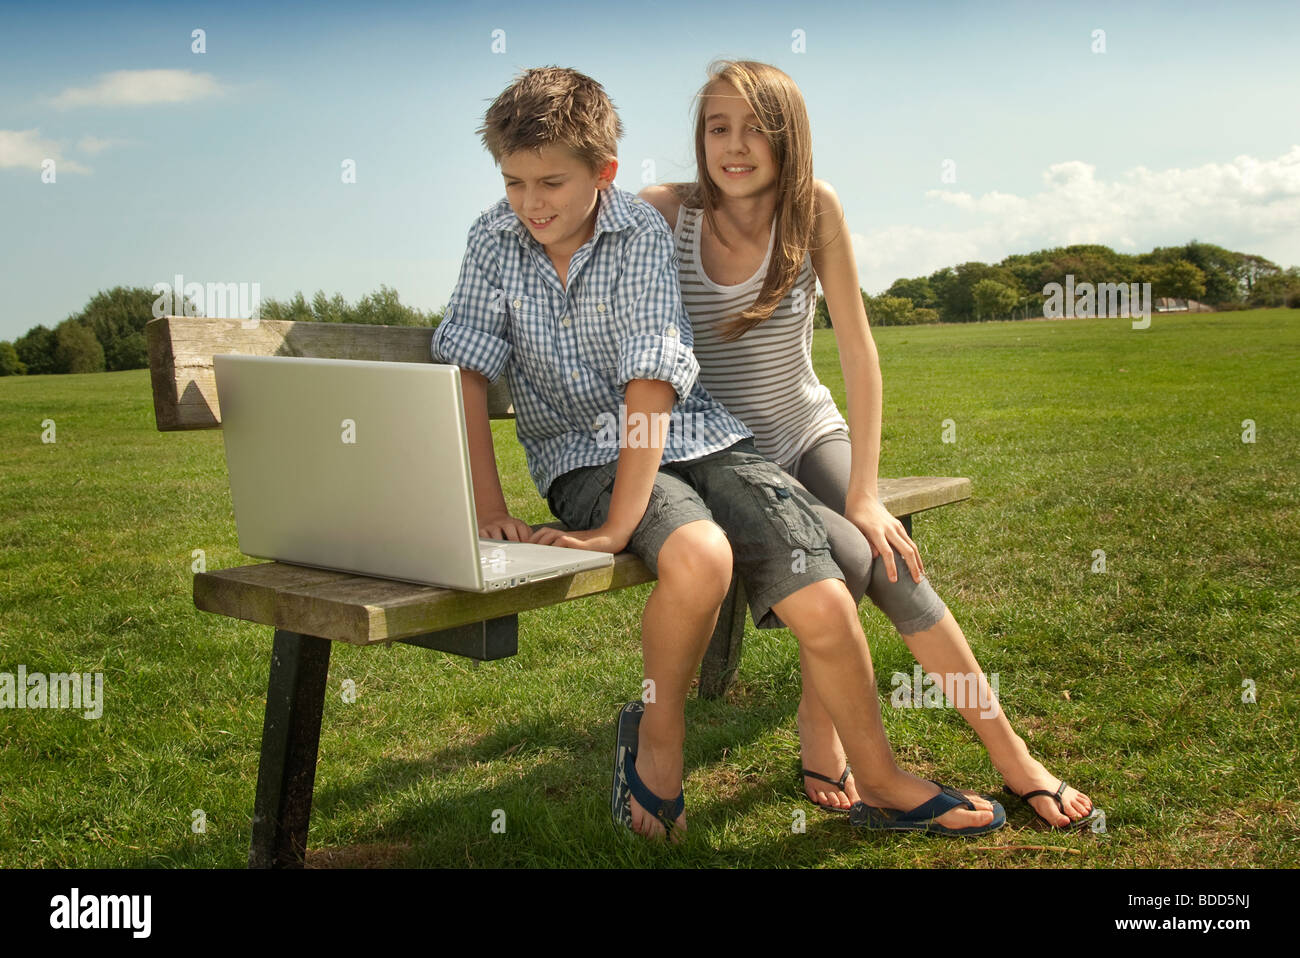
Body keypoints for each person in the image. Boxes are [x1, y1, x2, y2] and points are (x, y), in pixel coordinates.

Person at [433, 65, 1004, 842]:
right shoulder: (492, 240)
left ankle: (880, 778)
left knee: (833, 588)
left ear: (604, 173)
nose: (532, 203)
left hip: (698, 435)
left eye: (552, 183)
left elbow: (652, 384)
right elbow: (467, 370)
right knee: (702, 556)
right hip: (585, 458)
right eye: (514, 182)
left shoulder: (637, 231)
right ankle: (658, 734)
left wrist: (616, 530)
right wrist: (491, 506)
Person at [639, 59, 1098, 830]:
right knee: (840, 558)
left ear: (790, 138)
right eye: (718, 127)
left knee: (888, 557)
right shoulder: (664, 212)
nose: (735, 145)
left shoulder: (814, 209)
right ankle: (825, 733)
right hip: (723, 452)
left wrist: (864, 494)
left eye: (756, 127)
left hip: (804, 429)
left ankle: (1013, 758)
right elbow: (571, 212)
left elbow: (858, 350)